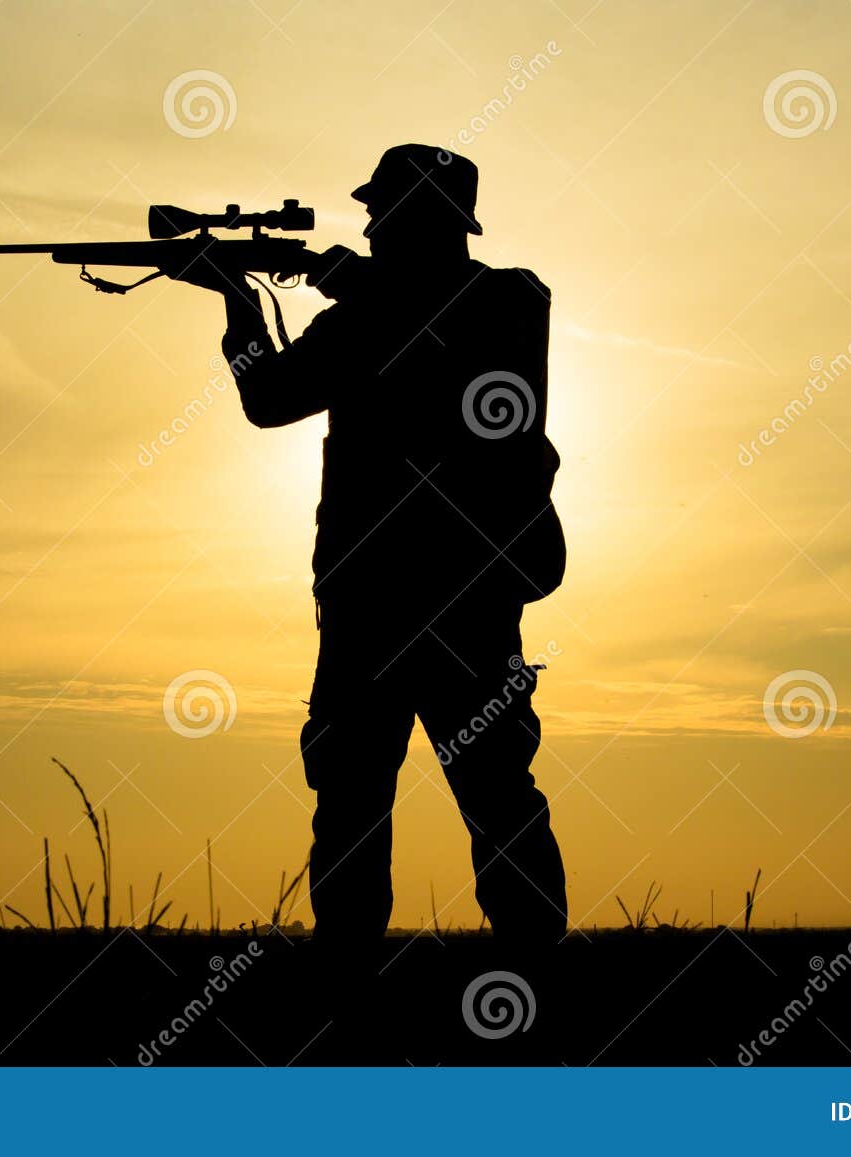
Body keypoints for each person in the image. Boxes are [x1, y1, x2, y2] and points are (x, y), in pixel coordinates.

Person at [166, 144, 568, 946]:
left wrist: (275, 298)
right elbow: (274, 399)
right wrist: (248, 300)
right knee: (417, 797)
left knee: (438, 797)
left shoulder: (494, 303)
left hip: (410, 602)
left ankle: (396, 982)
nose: (372, 229)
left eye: (384, 214)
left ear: (418, 224)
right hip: (430, 602)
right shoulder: (395, 315)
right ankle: (498, 974)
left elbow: (277, 394)